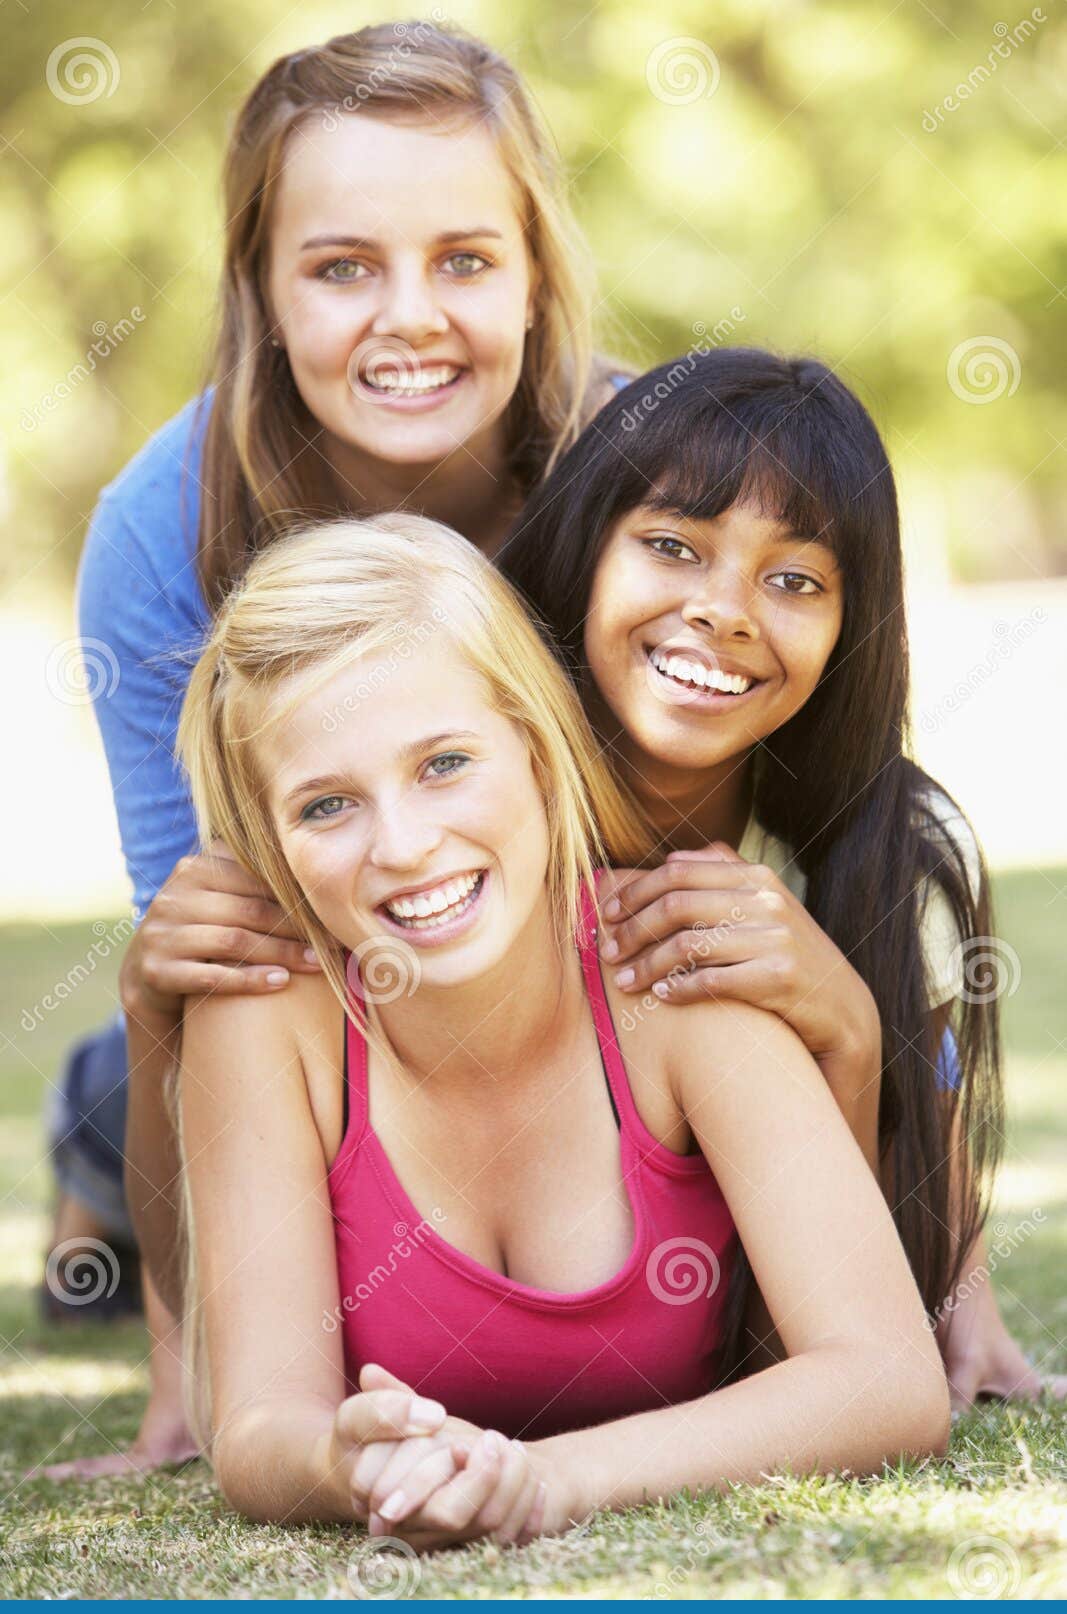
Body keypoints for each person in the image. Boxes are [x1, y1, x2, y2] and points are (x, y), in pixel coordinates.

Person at [48, 20, 628, 1480]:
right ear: (258, 289)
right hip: (340, 986)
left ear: (536, 272)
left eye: (464, 259)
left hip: (560, 990)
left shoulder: (647, 475)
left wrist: (934, 1282)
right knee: (176, 1005)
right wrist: (192, 1378)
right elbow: (212, 953)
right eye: (340, 266)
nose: (409, 316)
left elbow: (856, 853)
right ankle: (90, 1149)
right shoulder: (157, 533)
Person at [172, 512, 948, 1549]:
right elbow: (259, 1425)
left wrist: (540, 1480)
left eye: (444, 762)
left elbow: (888, 1379)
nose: (403, 845)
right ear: (268, 838)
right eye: (324, 807)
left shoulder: (671, 971)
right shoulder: (268, 1012)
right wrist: (342, 1460)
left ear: (537, 750)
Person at [497, 345, 1064, 1404]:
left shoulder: (876, 849)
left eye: (793, 578)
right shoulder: (475, 807)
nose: (725, 609)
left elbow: (840, 1322)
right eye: (672, 544)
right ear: (583, 550)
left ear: (852, 625)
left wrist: (845, 1028)